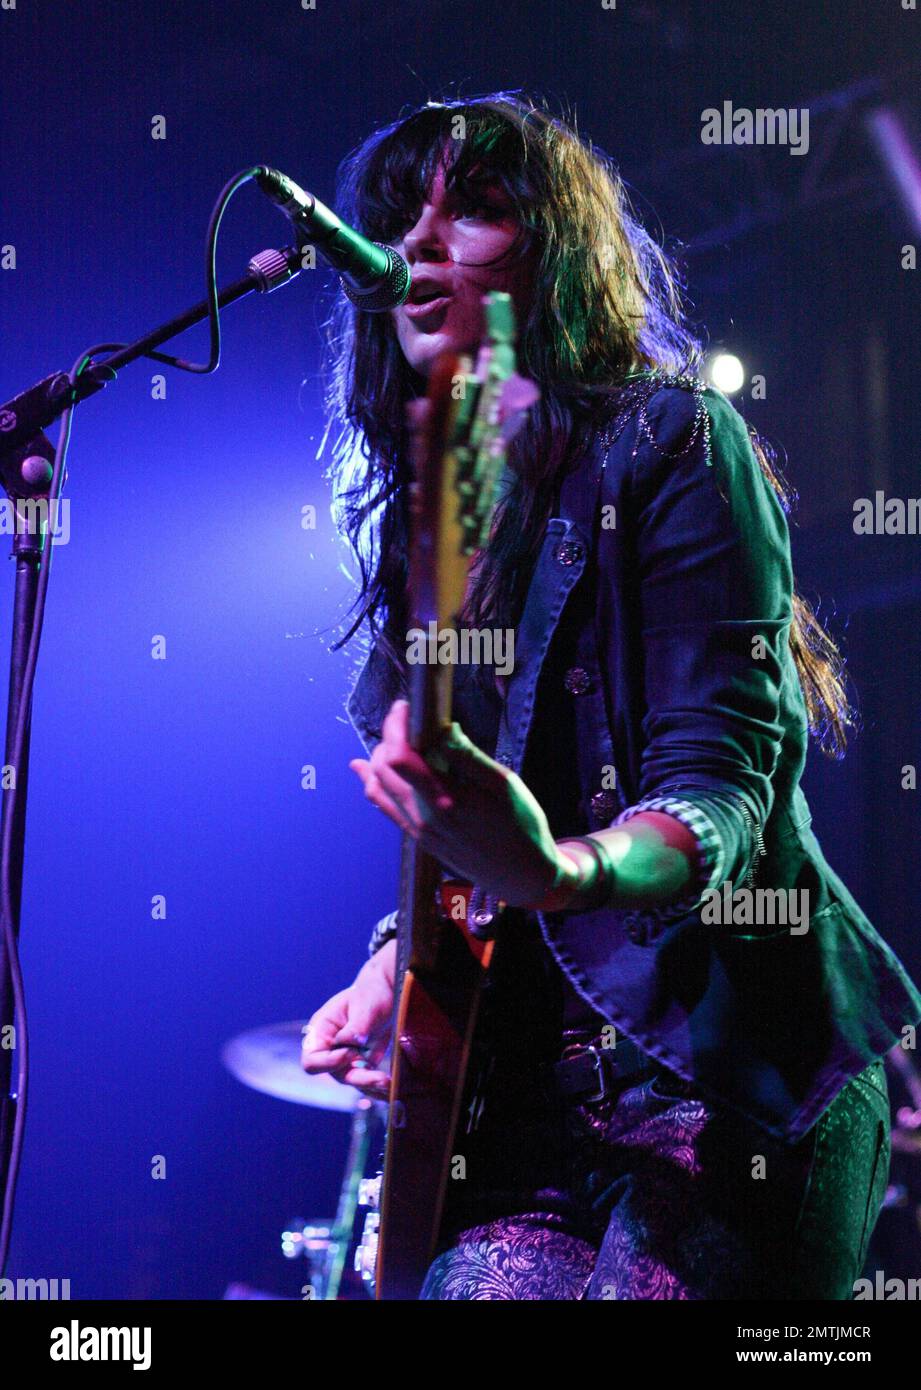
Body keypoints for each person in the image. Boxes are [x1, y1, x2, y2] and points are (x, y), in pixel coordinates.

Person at [300, 93, 921, 1299]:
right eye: (399, 218)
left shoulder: (678, 444)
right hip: (529, 1122)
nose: (420, 242)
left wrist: (557, 870)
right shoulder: (428, 532)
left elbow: (720, 798)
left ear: (555, 253)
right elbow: (466, 842)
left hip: (730, 1083)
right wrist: (398, 963)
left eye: (472, 209)